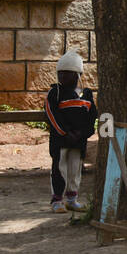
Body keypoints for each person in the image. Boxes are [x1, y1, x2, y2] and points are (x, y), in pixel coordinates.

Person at [44, 51, 97, 212]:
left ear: (78, 75)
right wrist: (65, 133)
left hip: (79, 141)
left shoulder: (86, 95)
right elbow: (52, 114)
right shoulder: (55, 93)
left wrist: (84, 133)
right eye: (60, 73)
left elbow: (92, 116)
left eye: (67, 73)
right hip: (61, 140)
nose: (63, 77)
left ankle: (72, 199)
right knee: (60, 168)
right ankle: (57, 200)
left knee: (75, 169)